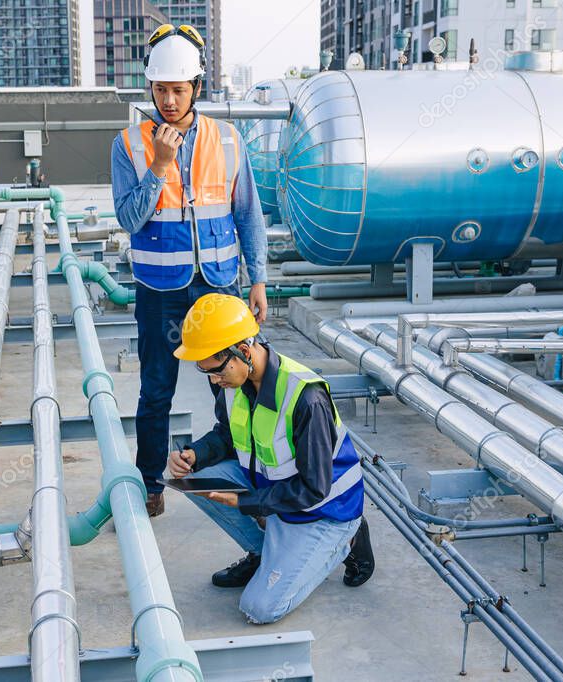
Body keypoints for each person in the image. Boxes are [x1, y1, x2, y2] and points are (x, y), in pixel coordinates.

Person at [111, 23, 268, 517]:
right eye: (161, 90)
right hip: (160, 290)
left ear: (197, 87)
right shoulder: (129, 145)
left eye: (179, 89)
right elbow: (130, 219)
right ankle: (151, 482)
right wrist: (159, 163)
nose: (170, 100)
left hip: (221, 286)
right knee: (157, 390)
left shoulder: (228, 140)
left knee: (234, 386)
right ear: (150, 88)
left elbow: (248, 214)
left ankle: (246, 474)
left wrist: (258, 277)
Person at [167, 293, 375, 624]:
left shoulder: (306, 398)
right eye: (204, 370)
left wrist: (248, 501)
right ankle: (265, 554)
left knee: (259, 608)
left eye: (216, 370)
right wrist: (196, 454)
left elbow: (313, 488)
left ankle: (349, 539)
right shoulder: (234, 382)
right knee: (191, 482)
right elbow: (227, 434)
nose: (213, 380)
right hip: (275, 493)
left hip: (322, 511)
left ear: (244, 352)